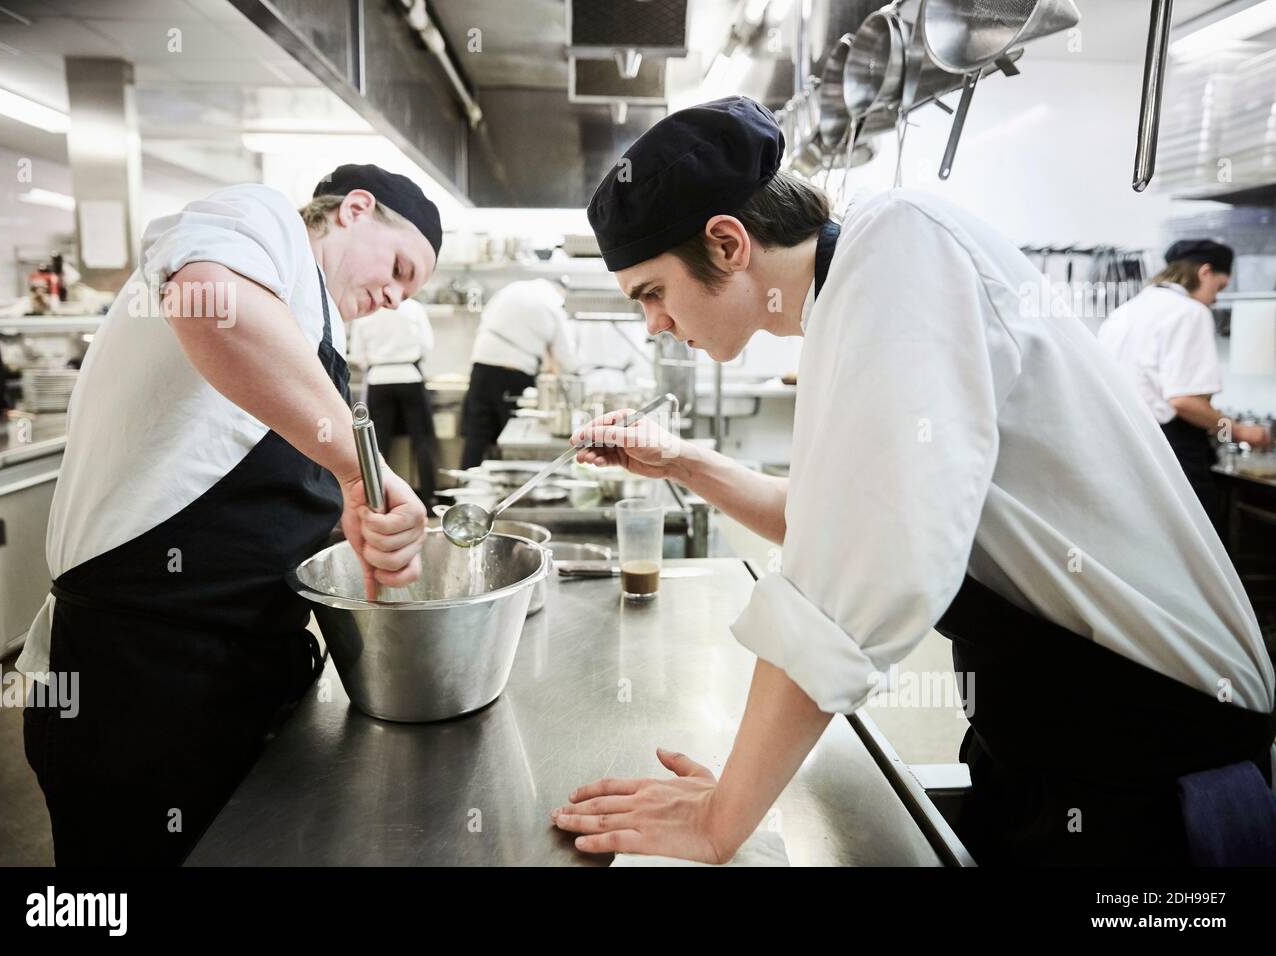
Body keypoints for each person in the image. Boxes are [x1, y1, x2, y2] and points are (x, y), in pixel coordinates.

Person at [551, 97, 1276, 865]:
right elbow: (838, 523)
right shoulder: (847, 298)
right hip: (1058, 748)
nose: (655, 325)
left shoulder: (898, 246)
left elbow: (856, 574)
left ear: (727, 243)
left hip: (1161, 778)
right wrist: (685, 463)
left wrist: (721, 815)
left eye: (651, 293)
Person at [18, 164, 435, 865]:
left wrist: (348, 521)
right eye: (400, 267)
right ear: (356, 210)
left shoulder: (316, 325)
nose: (395, 297)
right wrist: (355, 470)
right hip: (140, 683)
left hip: (238, 676)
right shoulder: (265, 217)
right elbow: (208, 298)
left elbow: (243, 488)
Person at [1098, 239, 1270, 530]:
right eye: (1220, 286)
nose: (1216, 299)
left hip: (1121, 443)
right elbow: (1184, 401)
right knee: (1200, 541)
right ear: (1204, 272)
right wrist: (1240, 431)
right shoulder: (1189, 312)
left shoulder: (1124, 312)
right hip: (1171, 448)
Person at [460, 277, 581, 469]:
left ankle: (467, 490)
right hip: (513, 374)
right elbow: (566, 359)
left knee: (477, 436)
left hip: (481, 366)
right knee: (512, 439)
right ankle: (507, 486)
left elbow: (484, 320)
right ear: (561, 292)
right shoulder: (553, 304)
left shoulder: (512, 288)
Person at [348, 297, 440, 504]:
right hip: (410, 376)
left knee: (379, 444)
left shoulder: (366, 309)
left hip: (378, 379)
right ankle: (430, 497)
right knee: (422, 440)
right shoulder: (414, 308)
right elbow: (427, 345)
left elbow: (357, 354)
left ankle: (380, 498)